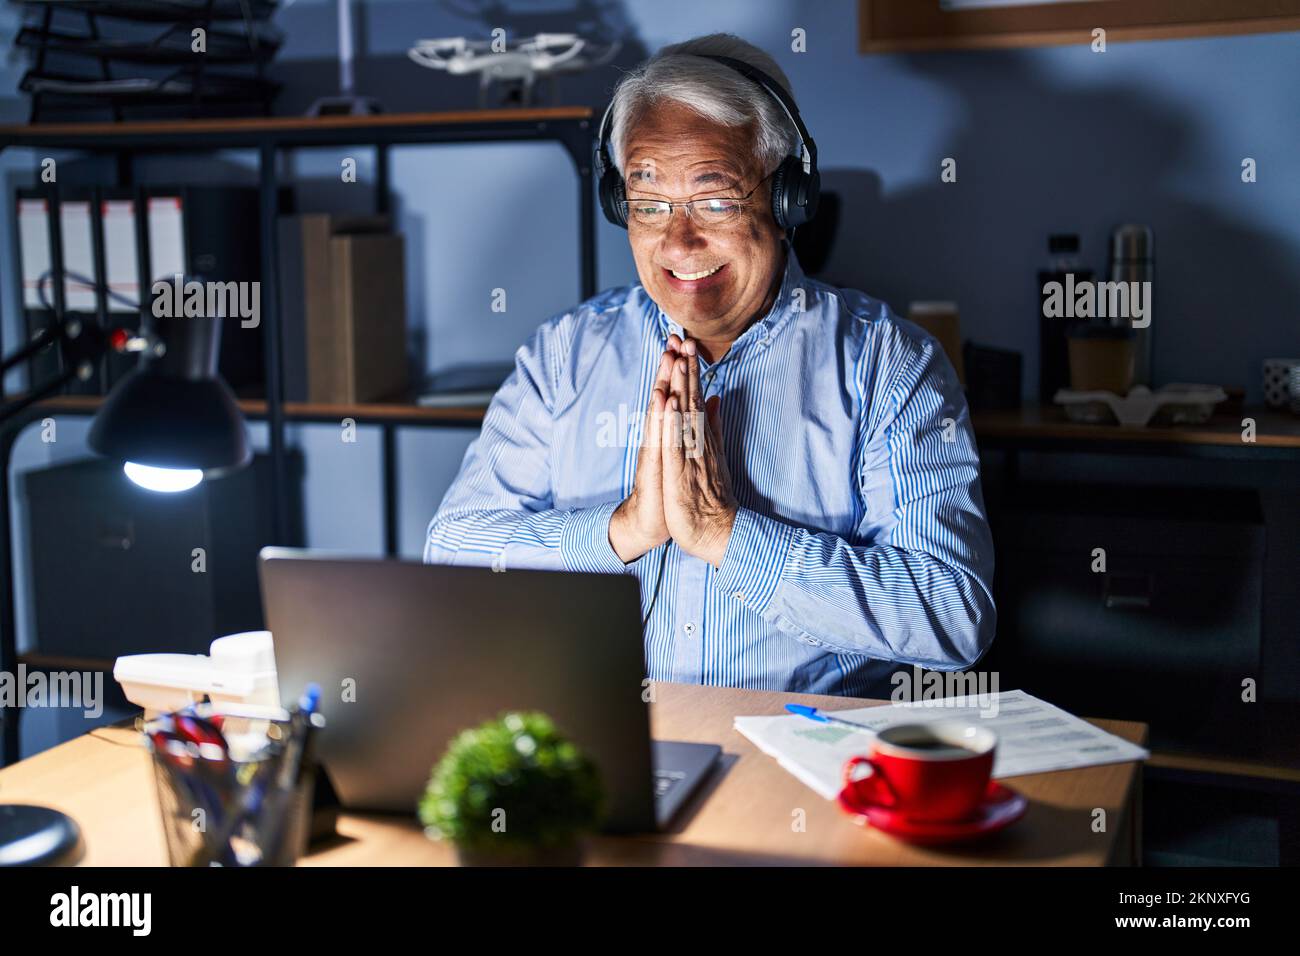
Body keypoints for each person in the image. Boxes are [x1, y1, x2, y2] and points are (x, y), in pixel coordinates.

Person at [426, 33, 995, 696]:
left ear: (788, 200)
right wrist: (624, 530)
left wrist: (728, 537)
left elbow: (952, 614)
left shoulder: (890, 365)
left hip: (802, 760)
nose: (678, 240)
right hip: (613, 751)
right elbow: (454, 552)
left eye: (716, 200)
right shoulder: (562, 357)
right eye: (650, 204)